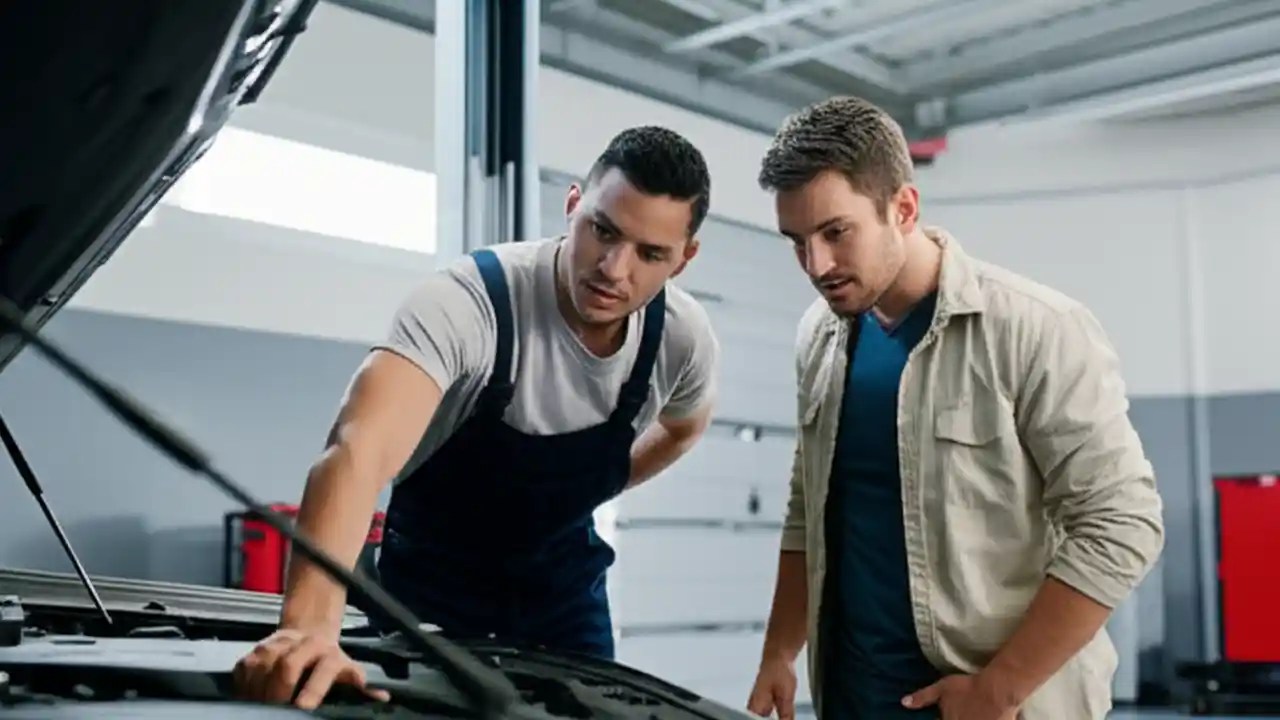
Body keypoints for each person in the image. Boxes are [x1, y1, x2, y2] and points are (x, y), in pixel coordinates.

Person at [232, 126, 721, 709]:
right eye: (603, 230)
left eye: (650, 254)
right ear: (572, 206)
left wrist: (610, 479)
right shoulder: (471, 302)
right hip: (428, 597)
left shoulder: (680, 338)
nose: (615, 268)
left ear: (684, 259)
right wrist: (310, 628)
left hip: (564, 597)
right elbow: (357, 449)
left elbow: (685, 427)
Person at [744, 96, 1165, 720]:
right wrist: (780, 651)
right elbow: (810, 505)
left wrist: (1001, 687)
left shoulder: (1036, 329)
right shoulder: (820, 335)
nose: (816, 266)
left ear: (903, 208)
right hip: (854, 699)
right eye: (797, 241)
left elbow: (1122, 522)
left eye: (836, 233)